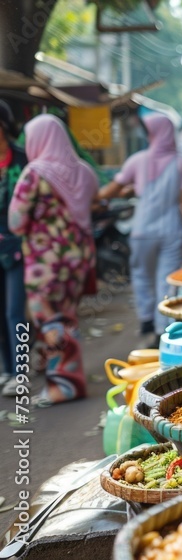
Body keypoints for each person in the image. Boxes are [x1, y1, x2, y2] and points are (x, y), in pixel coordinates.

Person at [7, 114, 98, 406]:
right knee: (67, 318)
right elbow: (93, 201)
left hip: (46, 264)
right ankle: (71, 379)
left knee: (50, 321)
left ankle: (62, 387)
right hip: (79, 259)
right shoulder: (84, 171)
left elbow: (16, 221)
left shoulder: (35, 172)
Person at [96, 113, 182, 343]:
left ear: (151, 134)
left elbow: (108, 192)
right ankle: (164, 330)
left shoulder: (137, 160)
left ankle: (146, 320)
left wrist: (92, 199)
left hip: (142, 230)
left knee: (141, 275)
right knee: (167, 279)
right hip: (173, 230)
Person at [0, 100, 28, 397]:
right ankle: (7, 370)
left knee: (14, 312)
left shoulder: (23, 160)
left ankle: (20, 374)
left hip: (20, 246)